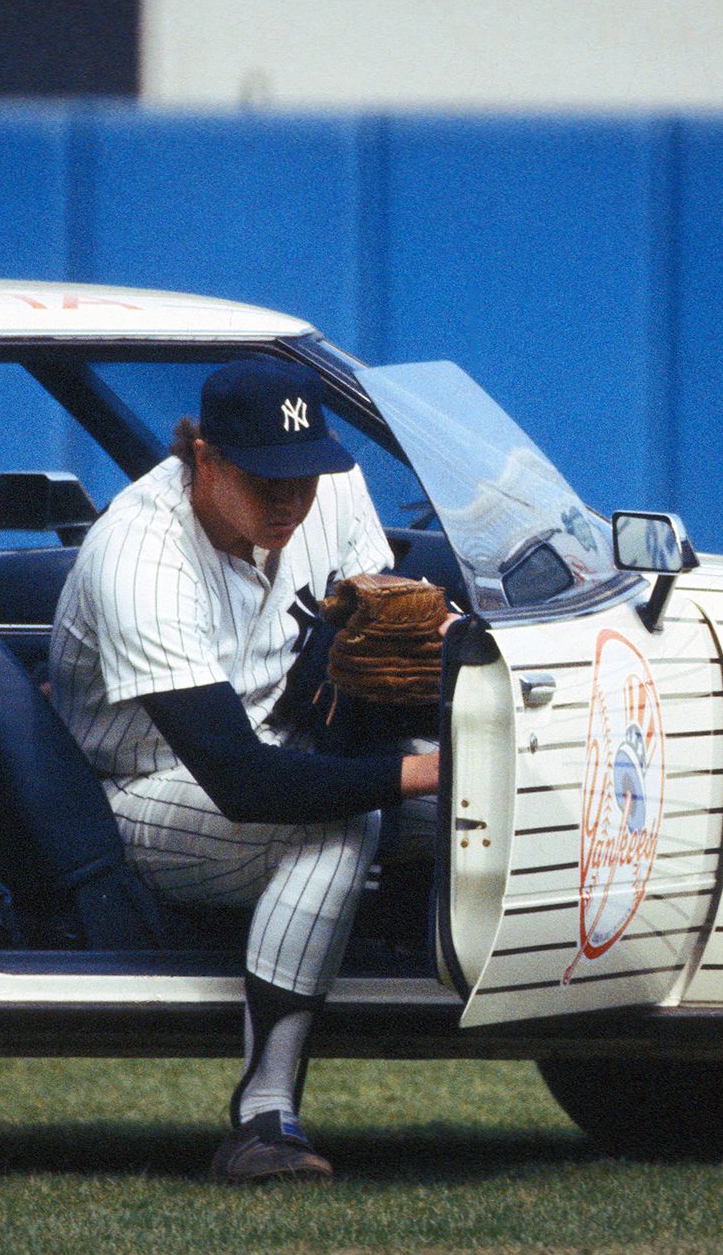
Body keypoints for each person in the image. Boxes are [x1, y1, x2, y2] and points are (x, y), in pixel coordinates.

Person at [49, 354, 442, 1183]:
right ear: (206, 461)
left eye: (304, 476)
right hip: (144, 795)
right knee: (340, 825)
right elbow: (244, 781)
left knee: (488, 809)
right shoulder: (139, 550)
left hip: (283, 752)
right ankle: (264, 1119)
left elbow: (370, 628)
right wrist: (420, 775)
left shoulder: (325, 489)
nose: (291, 500)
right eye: (266, 478)